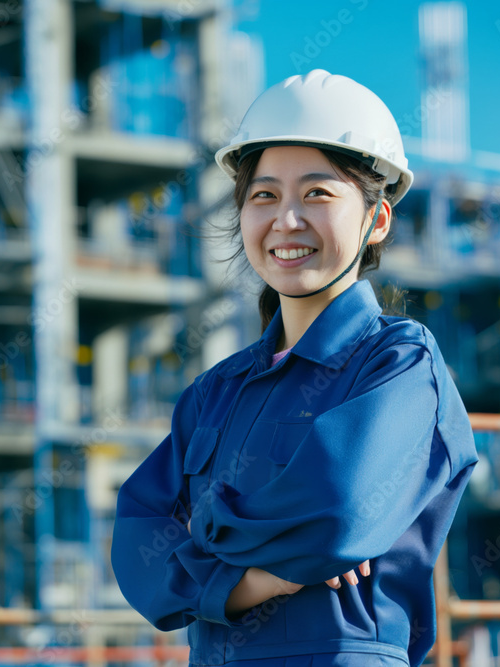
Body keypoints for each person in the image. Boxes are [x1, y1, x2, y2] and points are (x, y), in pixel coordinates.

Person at [111, 69, 479, 667]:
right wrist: (251, 580)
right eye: (264, 195)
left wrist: (202, 538)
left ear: (376, 219)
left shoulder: (398, 364)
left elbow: (333, 517)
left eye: (317, 193)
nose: (286, 220)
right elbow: (136, 544)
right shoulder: (215, 391)